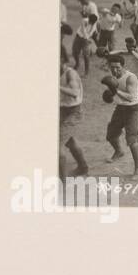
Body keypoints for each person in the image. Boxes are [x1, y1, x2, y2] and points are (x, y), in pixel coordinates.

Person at [101, 53, 138, 178]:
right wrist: (109, 94)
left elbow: (131, 97)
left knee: (132, 140)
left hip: (133, 109)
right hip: (120, 108)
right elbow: (114, 93)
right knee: (111, 135)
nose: (115, 70)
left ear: (123, 66)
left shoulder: (131, 78)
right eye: (112, 67)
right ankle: (119, 151)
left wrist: (116, 91)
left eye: (118, 67)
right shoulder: (113, 78)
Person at [59, 49, 87, 178]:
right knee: (70, 141)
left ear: (63, 61)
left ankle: (62, 182)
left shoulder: (71, 74)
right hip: (62, 110)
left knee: (57, 146)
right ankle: (83, 167)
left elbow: (75, 93)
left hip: (73, 112)